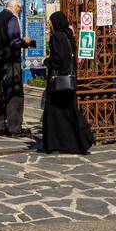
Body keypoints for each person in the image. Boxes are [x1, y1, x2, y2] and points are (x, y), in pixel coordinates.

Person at [42, 11, 95, 155]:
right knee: (69, 112)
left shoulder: (57, 37)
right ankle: (76, 141)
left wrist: (47, 61)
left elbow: (59, 59)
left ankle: (57, 142)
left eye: (51, 22)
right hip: (70, 80)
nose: (50, 25)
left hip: (58, 82)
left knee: (56, 114)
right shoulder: (69, 36)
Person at [0, 0, 35, 137]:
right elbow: (14, 41)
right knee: (14, 93)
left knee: (0, 92)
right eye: (19, 8)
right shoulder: (11, 19)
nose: (20, 10)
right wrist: (25, 42)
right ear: (14, 6)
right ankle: (14, 128)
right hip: (10, 60)